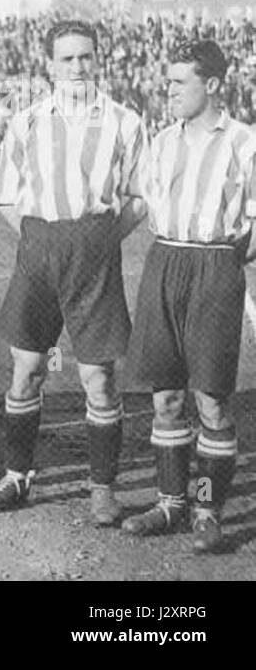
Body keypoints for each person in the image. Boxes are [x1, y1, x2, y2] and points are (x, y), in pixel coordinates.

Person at [0, 20, 148, 525]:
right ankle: (17, 476)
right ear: (50, 66)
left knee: (98, 375)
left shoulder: (125, 121)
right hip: (39, 249)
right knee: (28, 366)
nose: (77, 66)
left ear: (98, 60)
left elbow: (138, 199)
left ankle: (103, 488)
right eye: (67, 59)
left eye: (85, 57)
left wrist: (96, 240)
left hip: (95, 248)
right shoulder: (27, 121)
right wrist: (41, 238)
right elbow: (8, 196)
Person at [121, 39, 256, 553]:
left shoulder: (244, 144)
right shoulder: (160, 141)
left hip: (215, 267)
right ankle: (170, 502)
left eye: (181, 82)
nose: (169, 90)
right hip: (165, 263)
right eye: (169, 80)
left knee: (212, 400)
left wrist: (222, 262)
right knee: (166, 395)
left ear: (214, 85)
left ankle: (205, 507)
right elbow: (145, 203)